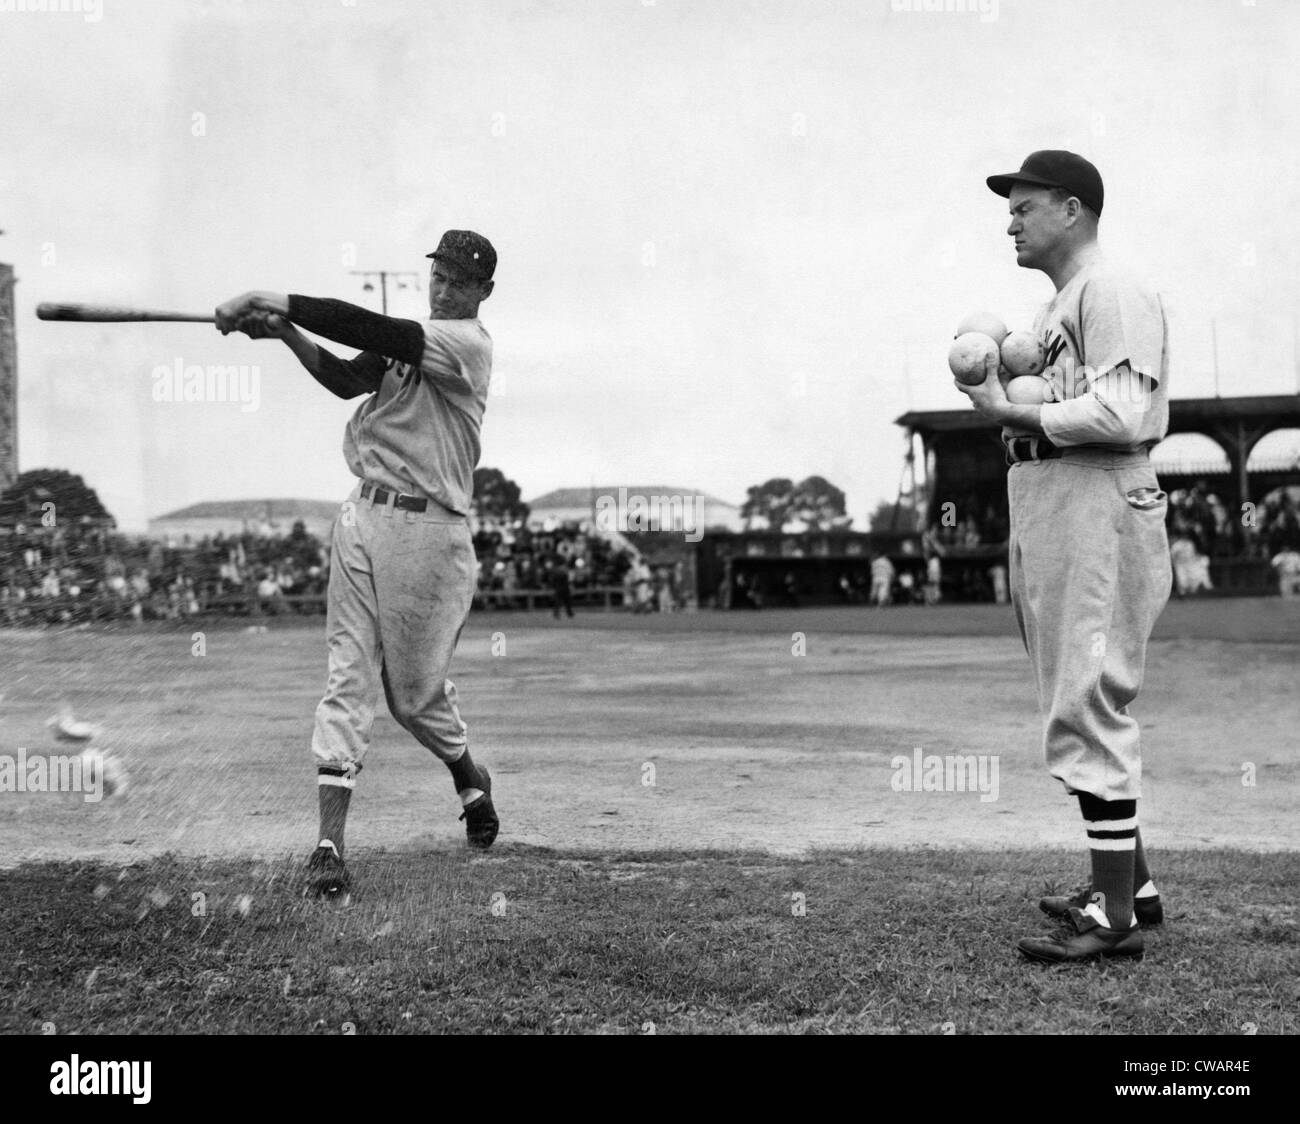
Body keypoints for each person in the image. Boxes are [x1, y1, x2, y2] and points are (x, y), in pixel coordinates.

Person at [215, 229, 501, 899]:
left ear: (484, 292)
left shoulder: (465, 347)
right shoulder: (413, 343)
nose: (445, 285)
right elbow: (347, 379)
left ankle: (467, 774)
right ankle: (328, 848)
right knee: (346, 675)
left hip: (430, 531)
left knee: (413, 698)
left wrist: (273, 298)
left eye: (461, 279)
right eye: (440, 272)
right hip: (362, 515)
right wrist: (286, 331)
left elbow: (368, 325)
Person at [957, 151, 1171, 963]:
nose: (1010, 219)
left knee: (1090, 697)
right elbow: (1064, 399)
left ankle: (1113, 921)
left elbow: (1123, 411)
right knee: (1073, 695)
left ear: (1072, 210)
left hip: (1098, 496)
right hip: (1054, 499)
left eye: (1025, 205)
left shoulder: (1110, 291)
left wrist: (1009, 407)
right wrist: (1010, 396)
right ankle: (1133, 888)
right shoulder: (1059, 308)